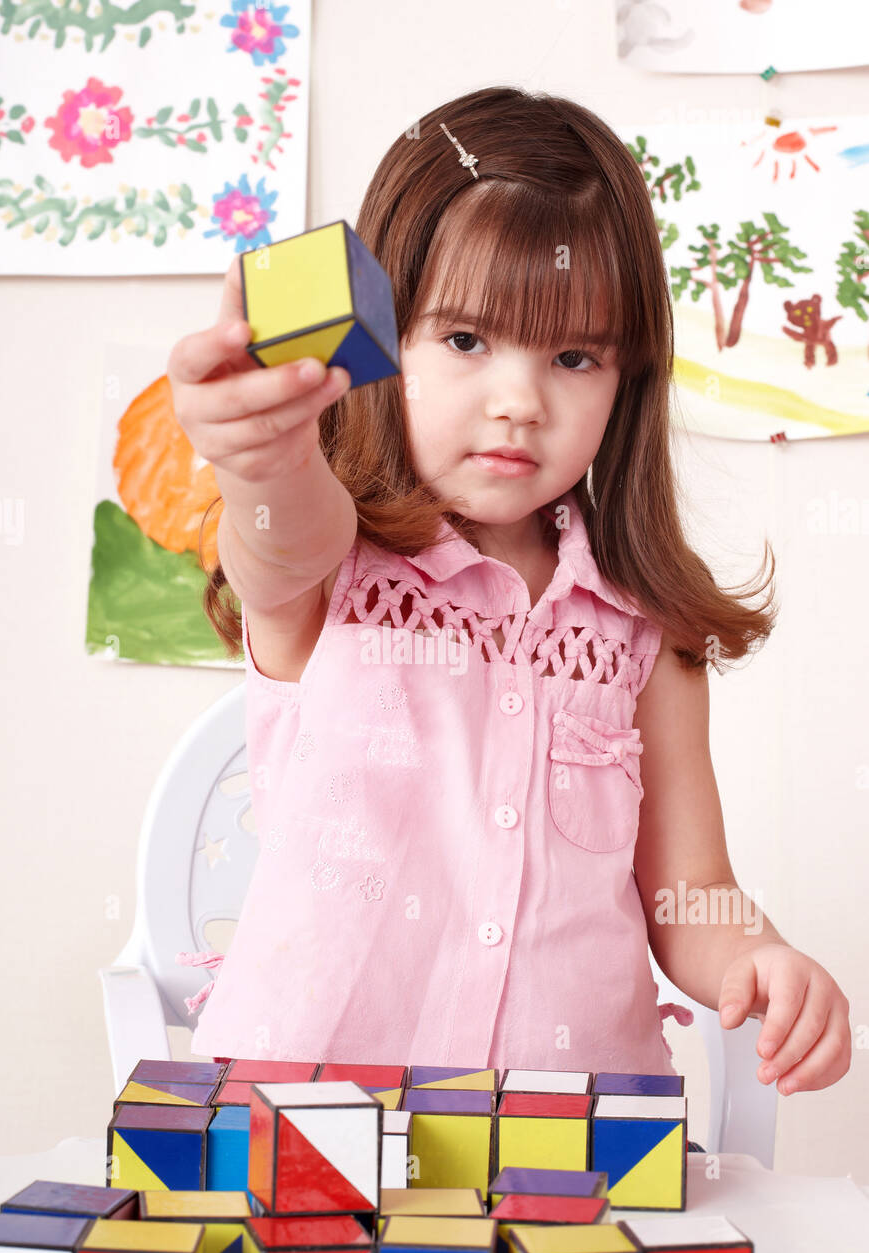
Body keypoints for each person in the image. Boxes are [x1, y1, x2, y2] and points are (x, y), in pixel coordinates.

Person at [166, 87, 850, 1094]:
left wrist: (759, 957)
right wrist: (262, 461)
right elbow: (280, 542)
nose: (519, 401)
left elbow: (689, 890)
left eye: (574, 356)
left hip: (569, 1126)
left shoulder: (643, 628)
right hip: (308, 1113)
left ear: (629, 381)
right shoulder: (335, 563)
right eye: (465, 340)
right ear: (377, 341)